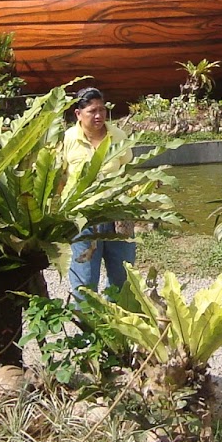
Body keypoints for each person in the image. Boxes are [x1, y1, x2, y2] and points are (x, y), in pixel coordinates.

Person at [62, 86, 136, 297]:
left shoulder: (118, 136)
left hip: (117, 215)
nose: (98, 115)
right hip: (83, 219)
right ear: (78, 113)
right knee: (84, 278)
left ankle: (120, 322)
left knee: (123, 276)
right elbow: (59, 179)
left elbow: (128, 172)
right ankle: (86, 325)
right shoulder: (68, 139)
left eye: (102, 110)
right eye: (92, 111)